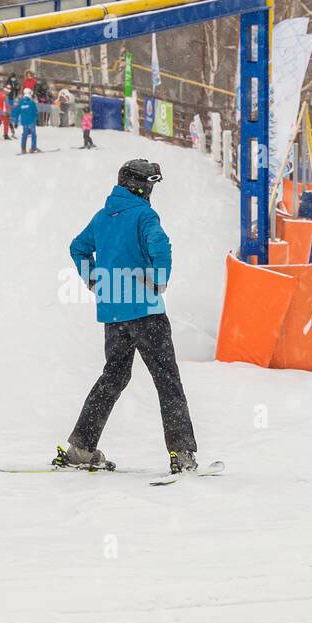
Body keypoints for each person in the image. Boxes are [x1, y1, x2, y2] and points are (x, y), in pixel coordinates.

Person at [59, 159, 198, 474]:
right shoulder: (144, 215)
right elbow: (161, 247)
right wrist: (159, 280)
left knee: (114, 376)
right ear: (141, 186)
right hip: (146, 312)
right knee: (167, 380)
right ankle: (182, 453)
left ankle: (81, 447)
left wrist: (93, 279)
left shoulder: (103, 216)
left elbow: (77, 248)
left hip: (114, 313)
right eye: (151, 184)